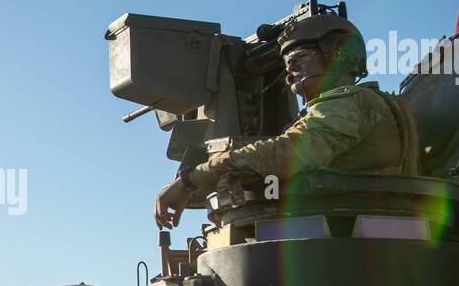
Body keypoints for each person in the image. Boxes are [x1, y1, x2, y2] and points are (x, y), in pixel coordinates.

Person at [154, 15, 418, 229]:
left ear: (338, 54)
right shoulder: (354, 104)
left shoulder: (348, 103)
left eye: (297, 61)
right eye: (287, 66)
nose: (289, 75)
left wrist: (191, 180)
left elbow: (290, 152)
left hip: (347, 233)